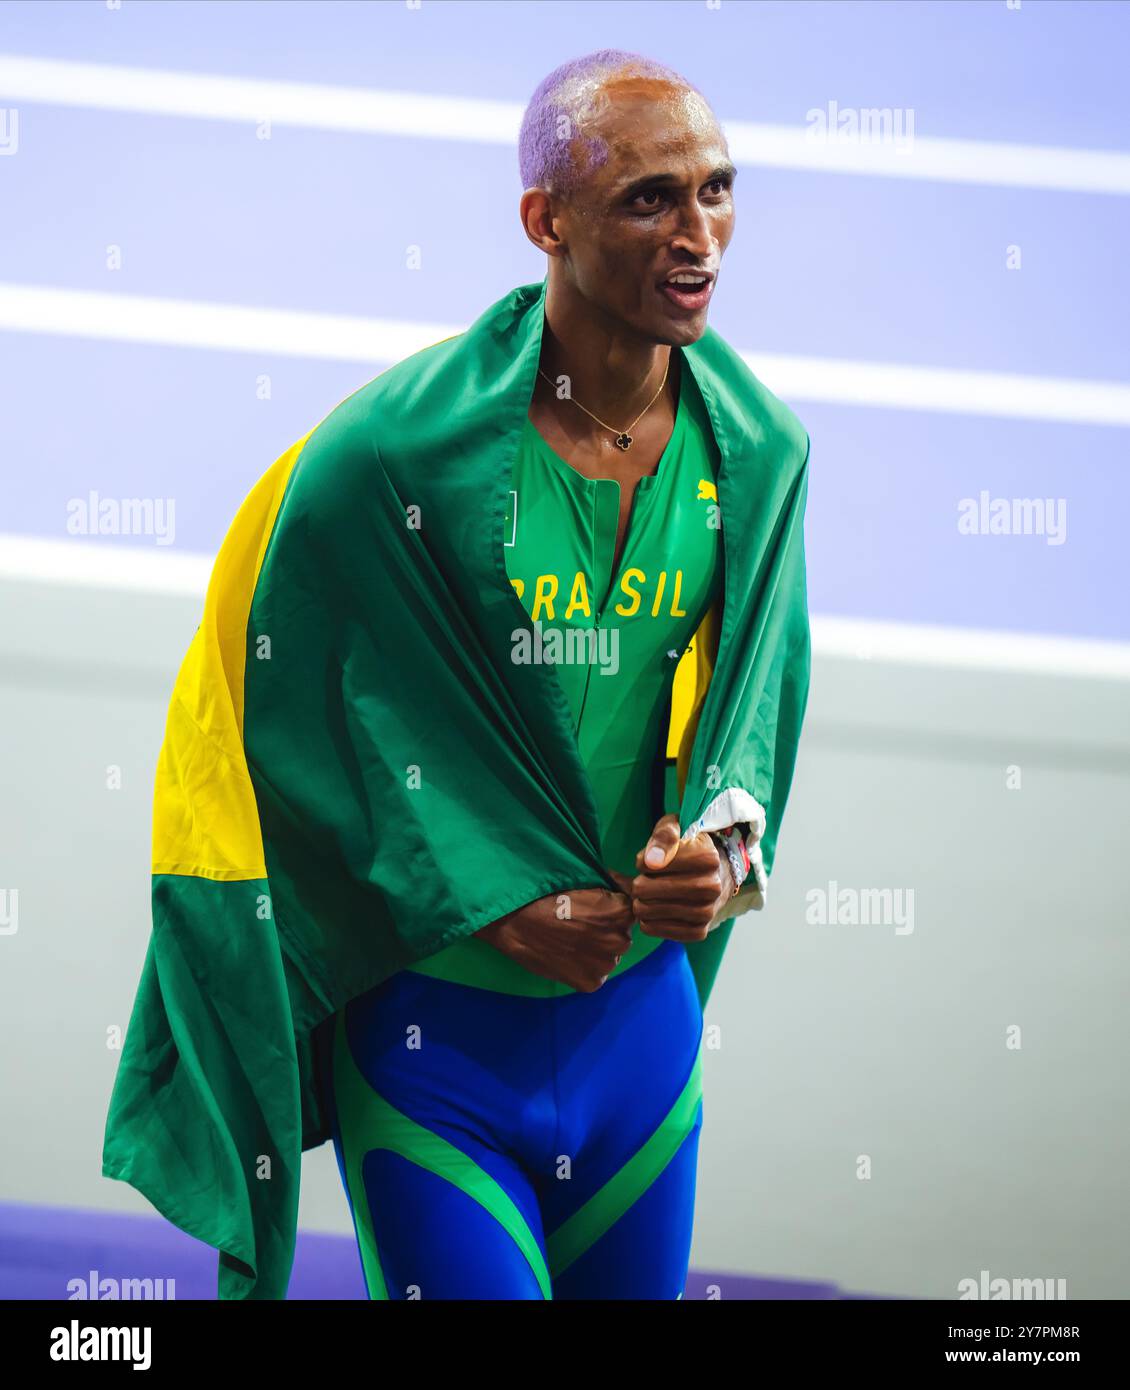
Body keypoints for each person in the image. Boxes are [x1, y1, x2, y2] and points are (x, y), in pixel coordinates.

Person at [102, 49, 812, 1301]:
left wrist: (724, 857)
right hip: (437, 1044)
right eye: (648, 199)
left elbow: (753, 716)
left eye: (715, 191)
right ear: (545, 219)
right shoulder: (395, 453)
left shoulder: (756, 452)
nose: (697, 235)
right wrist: (472, 892)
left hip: (639, 1041)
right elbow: (284, 717)